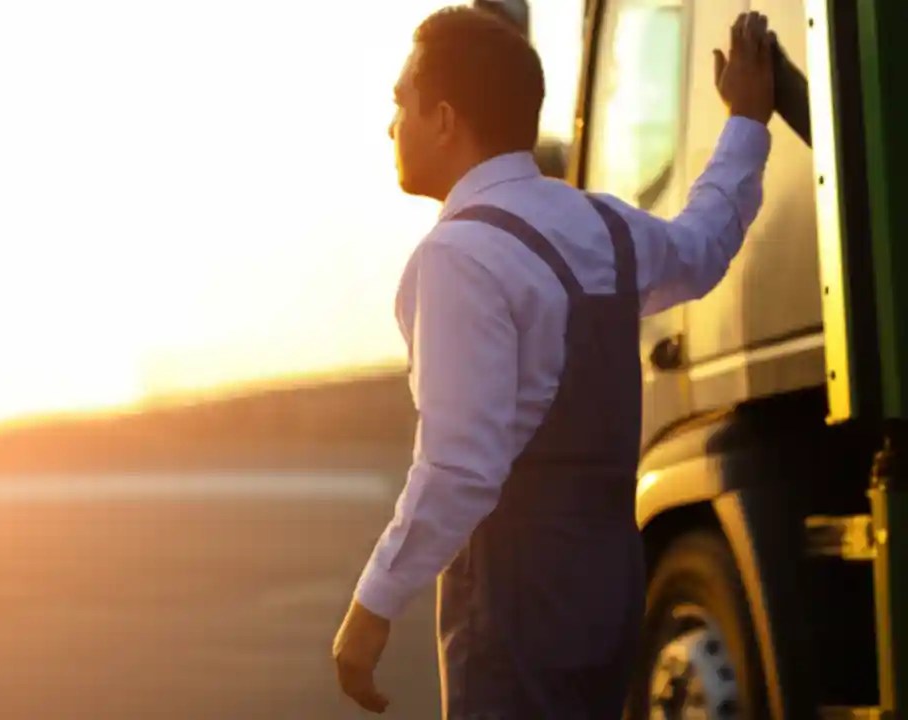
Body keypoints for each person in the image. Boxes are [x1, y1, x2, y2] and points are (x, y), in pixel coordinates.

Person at [331, 6, 776, 718]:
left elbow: (459, 468)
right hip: (608, 588)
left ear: (444, 119)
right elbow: (704, 245)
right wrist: (746, 125)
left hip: (513, 599)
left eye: (400, 106)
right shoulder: (604, 224)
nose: (391, 127)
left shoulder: (457, 257)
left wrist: (372, 605)